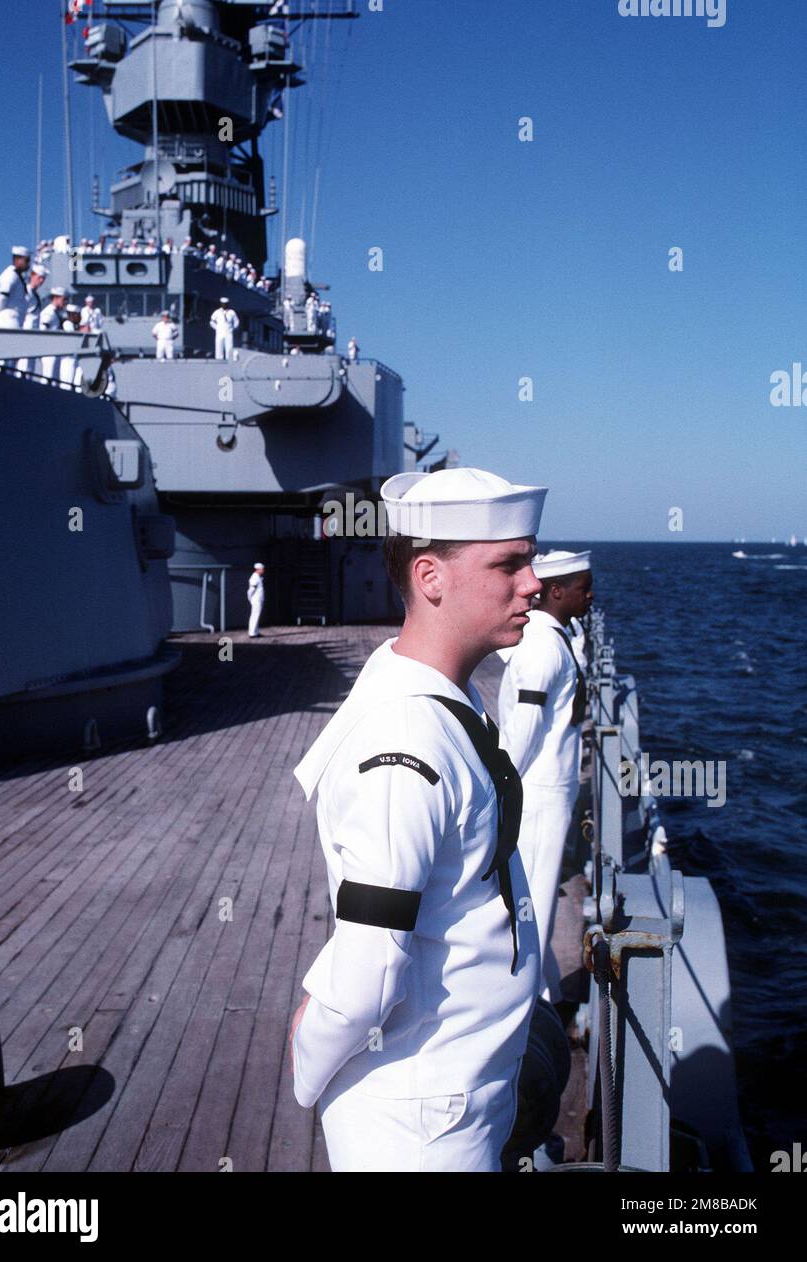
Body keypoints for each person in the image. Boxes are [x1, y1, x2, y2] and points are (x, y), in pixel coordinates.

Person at [289, 467, 548, 1173]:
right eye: (509, 564)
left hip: (460, 1099)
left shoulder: (439, 700)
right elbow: (368, 972)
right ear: (430, 577)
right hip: (421, 1131)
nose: (533, 583)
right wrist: (308, 1067)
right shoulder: (404, 742)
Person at [497, 549, 594, 1004]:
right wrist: (502, 784)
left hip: (551, 788)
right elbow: (526, 726)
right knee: (533, 901)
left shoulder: (552, 636)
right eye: (583, 587)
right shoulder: (542, 645)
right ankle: (528, 1007)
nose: (590, 595)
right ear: (557, 591)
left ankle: (544, 992)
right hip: (539, 790)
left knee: (538, 901)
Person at [0, 246, 32, 329]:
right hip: (9, 317)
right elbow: (3, 295)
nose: (28, 264)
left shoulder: (18, 276)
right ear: (17, 260)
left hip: (16, 318)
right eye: (26, 260)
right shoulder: (11, 274)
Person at [38, 287, 67, 379]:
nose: (65, 302)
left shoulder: (57, 313)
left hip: (55, 349)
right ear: (56, 298)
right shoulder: (48, 312)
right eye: (64, 299)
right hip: (49, 350)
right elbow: (43, 330)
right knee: (48, 377)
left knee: (54, 379)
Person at [247, 562, 265, 637]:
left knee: (256, 615)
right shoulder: (254, 577)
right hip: (256, 600)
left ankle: (255, 631)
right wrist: (250, 598)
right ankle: (252, 633)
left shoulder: (258, 577)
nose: (263, 570)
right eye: (262, 569)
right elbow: (251, 590)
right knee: (255, 615)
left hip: (258, 599)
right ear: (258, 569)